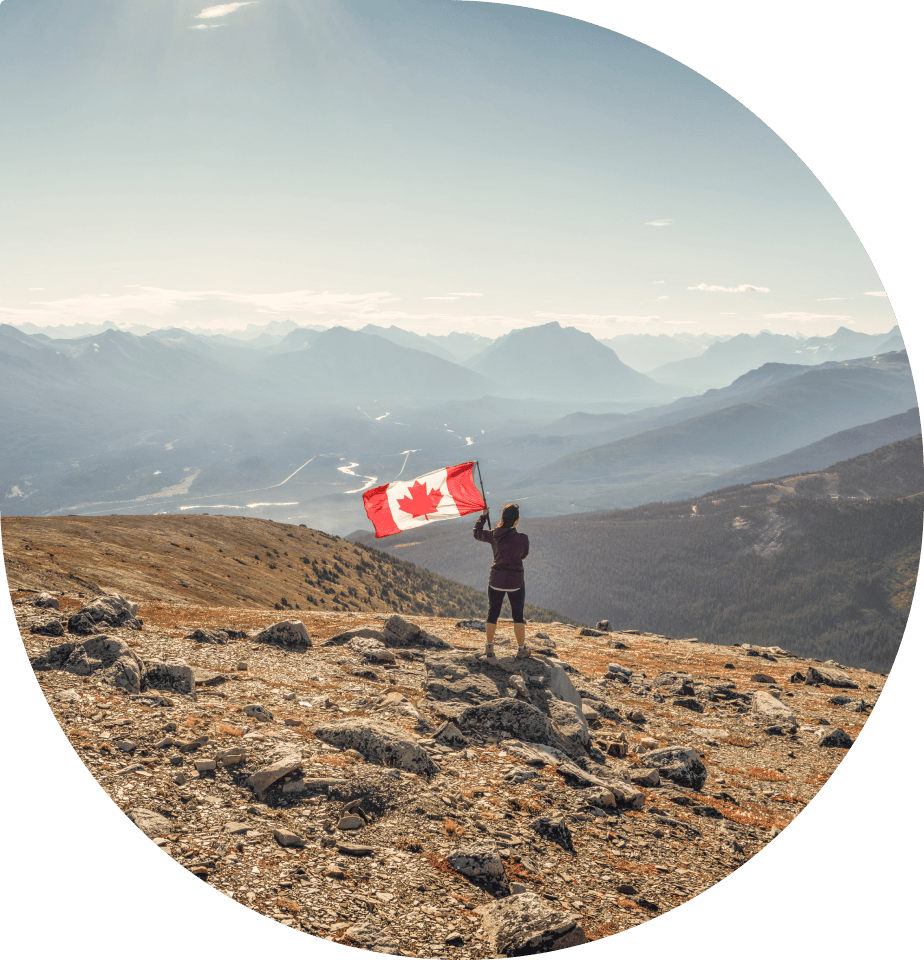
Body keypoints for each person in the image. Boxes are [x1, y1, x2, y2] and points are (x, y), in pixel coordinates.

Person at [473, 502, 530, 659]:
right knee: (517, 615)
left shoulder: (494, 535)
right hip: (515, 582)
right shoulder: (523, 538)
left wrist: (483, 516)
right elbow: (523, 555)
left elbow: (477, 533)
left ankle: (489, 647)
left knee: (493, 612)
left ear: (503, 518)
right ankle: (521, 648)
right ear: (517, 520)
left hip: (496, 580)